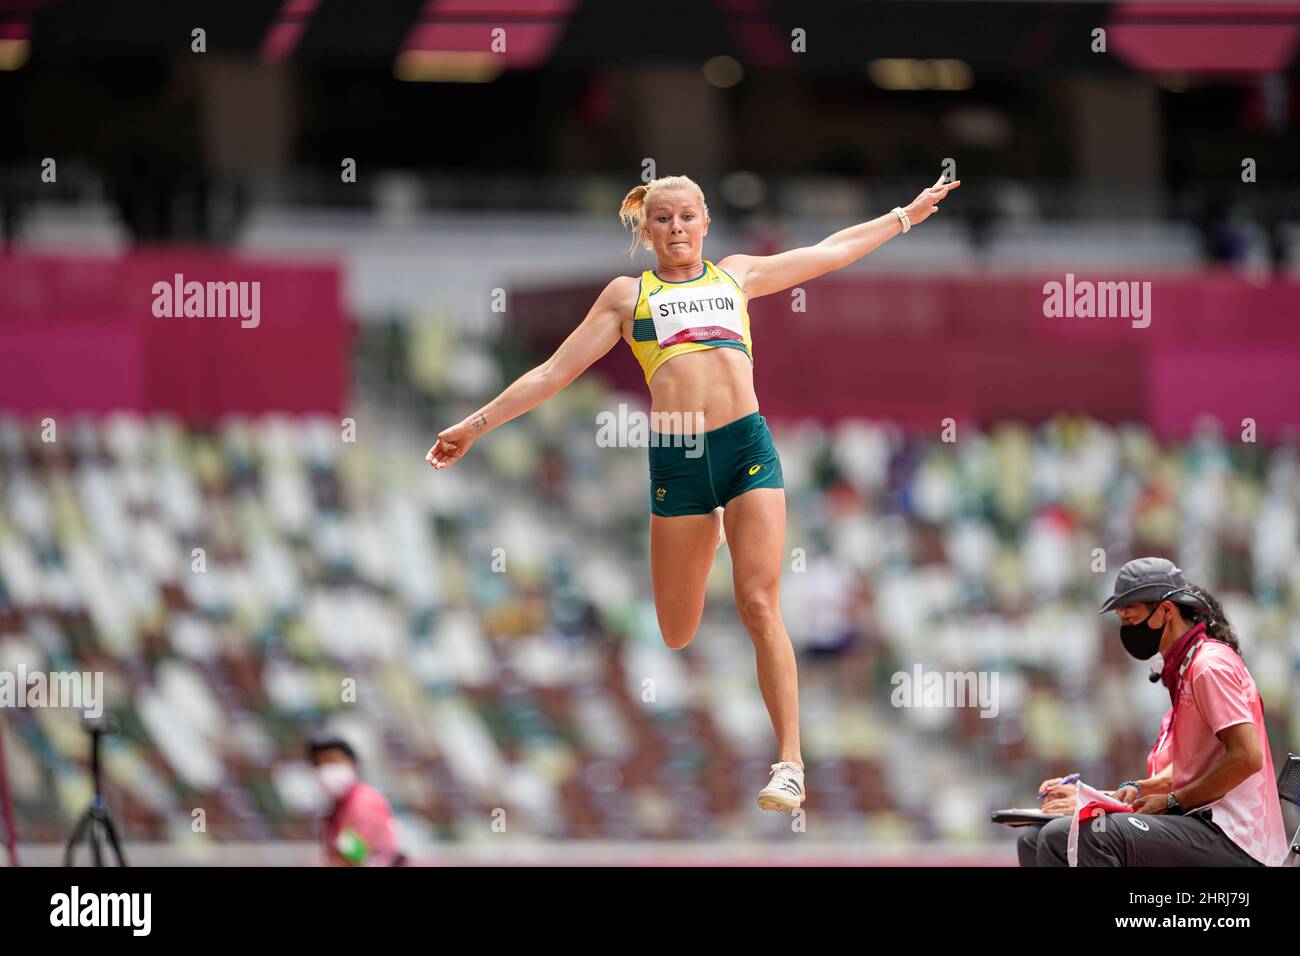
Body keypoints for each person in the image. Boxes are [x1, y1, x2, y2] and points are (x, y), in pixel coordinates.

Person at [426, 172, 960, 809]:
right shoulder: (628, 297)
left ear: (705, 224)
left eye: (687, 218)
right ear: (645, 230)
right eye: (663, 220)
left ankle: (789, 762)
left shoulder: (734, 276)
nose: (676, 230)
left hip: (746, 449)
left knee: (759, 602)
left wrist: (903, 216)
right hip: (678, 458)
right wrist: (474, 426)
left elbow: (826, 253)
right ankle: (704, 531)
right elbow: (552, 372)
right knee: (677, 630)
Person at [1023, 557, 1288, 866]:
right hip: (1200, 824)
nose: (1127, 630)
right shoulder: (1185, 670)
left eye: (1130, 619)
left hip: (1236, 839)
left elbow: (1246, 756)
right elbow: (1190, 770)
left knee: (1085, 835)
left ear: (1165, 611)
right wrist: (1125, 792)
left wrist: (1174, 802)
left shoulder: (1209, 666)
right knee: (1034, 838)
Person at [1017, 707, 1173, 865]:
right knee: (1030, 838)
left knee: (1070, 833)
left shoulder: (1191, 695)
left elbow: (1174, 793)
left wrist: (1089, 803)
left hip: (1184, 819)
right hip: (1163, 812)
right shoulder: (1173, 713)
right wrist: (1088, 797)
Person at [307, 733, 404, 866]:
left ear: (352, 763)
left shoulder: (364, 801)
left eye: (331, 761)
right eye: (318, 764)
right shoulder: (335, 807)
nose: (325, 769)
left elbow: (353, 857)